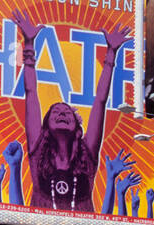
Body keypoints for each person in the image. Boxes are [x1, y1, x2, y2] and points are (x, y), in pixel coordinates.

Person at [9, 11, 129, 212]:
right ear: (45, 127)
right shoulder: (37, 151)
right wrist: (28, 44)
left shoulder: (87, 152)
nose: (62, 113)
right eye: (55, 112)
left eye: (66, 112)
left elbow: (100, 101)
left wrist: (111, 54)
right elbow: (31, 92)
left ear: (78, 128)